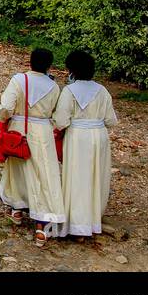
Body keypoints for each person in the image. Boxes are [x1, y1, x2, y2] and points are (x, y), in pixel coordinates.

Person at [0, 48, 64, 247]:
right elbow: (56, 114)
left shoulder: (18, 80)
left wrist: (2, 117)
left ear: (30, 62)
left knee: (18, 170)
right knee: (44, 174)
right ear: (49, 65)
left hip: (19, 130)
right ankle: (41, 227)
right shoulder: (54, 87)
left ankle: (16, 210)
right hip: (43, 131)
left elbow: (6, 108)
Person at [51, 50, 117, 240]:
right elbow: (111, 120)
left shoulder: (69, 91)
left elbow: (61, 120)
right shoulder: (102, 91)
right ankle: (92, 218)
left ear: (72, 70)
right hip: (99, 135)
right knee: (97, 176)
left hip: (78, 136)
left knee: (77, 177)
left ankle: (77, 223)